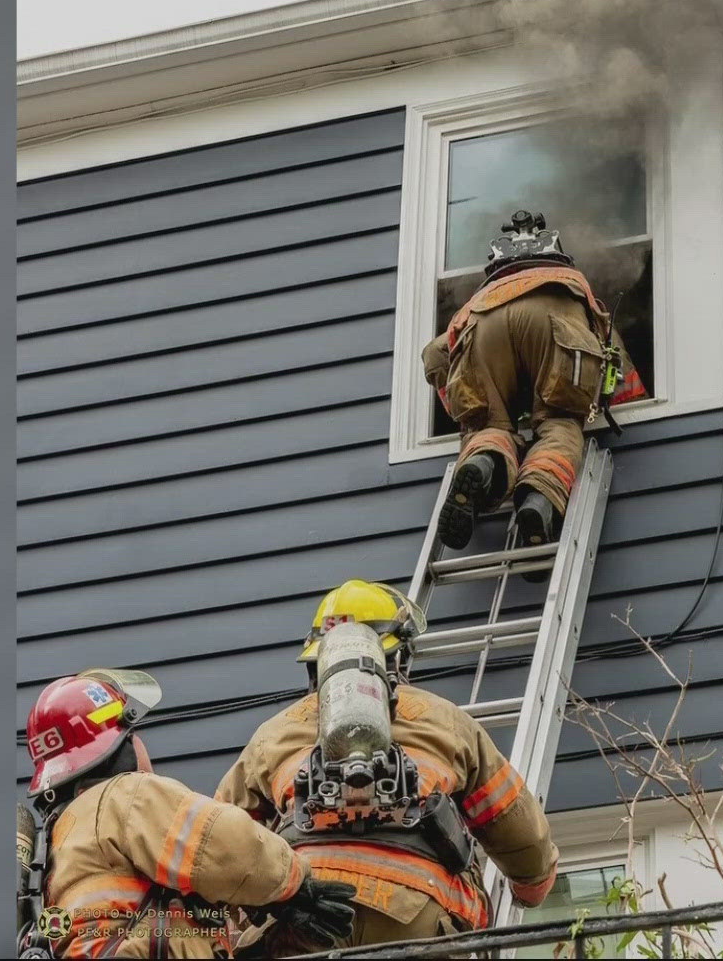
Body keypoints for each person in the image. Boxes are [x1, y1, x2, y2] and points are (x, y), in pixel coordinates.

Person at [216, 581, 559, 953]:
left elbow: (221, 845)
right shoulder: (446, 720)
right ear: (399, 656)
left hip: (308, 916)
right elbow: (521, 835)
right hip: (422, 920)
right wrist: (531, 888)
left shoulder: (273, 733)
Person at [23, 668, 356, 958]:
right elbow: (223, 844)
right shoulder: (125, 795)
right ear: (118, 746)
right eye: (132, 734)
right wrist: (296, 884)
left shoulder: (58, 839)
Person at [422, 210, 646, 550]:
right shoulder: (571, 289)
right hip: (557, 325)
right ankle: (540, 496)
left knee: (489, 426)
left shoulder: (482, 296)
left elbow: (436, 356)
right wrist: (626, 406)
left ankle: (484, 461)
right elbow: (613, 356)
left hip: (483, 328)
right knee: (559, 423)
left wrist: (465, 407)